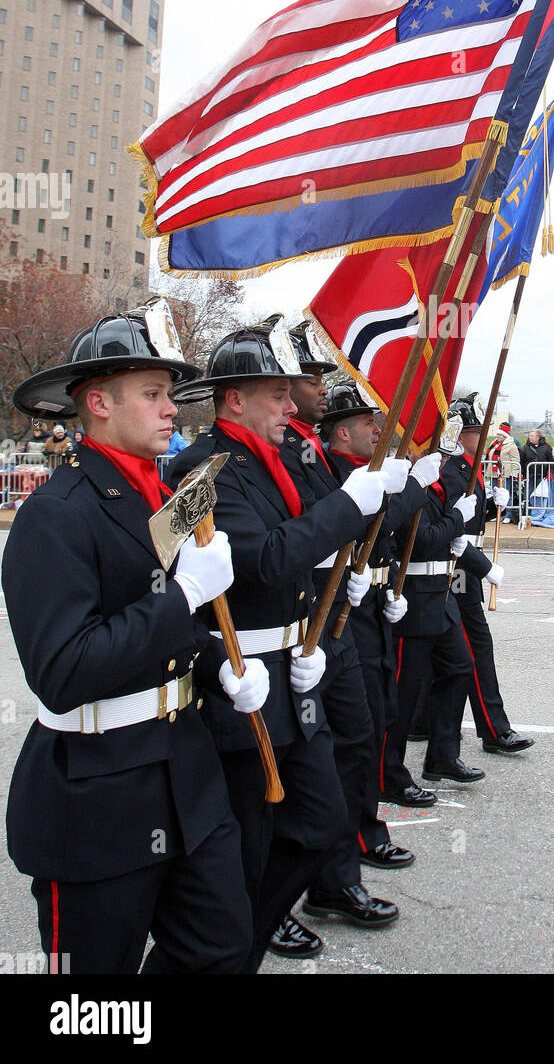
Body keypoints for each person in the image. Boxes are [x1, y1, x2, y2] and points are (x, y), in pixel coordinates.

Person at [3, 302, 255, 974]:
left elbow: (155, 626)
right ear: (99, 404)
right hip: (97, 793)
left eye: (169, 394)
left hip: (184, 772)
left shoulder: (159, 499)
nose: (172, 408)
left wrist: (217, 666)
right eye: (152, 394)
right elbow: (63, 668)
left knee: (222, 947)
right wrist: (184, 598)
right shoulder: (53, 516)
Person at [169, 318, 398, 966]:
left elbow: (299, 558)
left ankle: (248, 934)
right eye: (275, 394)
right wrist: (350, 504)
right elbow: (266, 558)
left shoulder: (277, 463)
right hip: (239, 676)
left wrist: (313, 638)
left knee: (321, 820)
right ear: (234, 399)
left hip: (294, 665)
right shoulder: (200, 470)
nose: (289, 403)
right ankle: (232, 947)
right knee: (248, 838)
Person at [276, 323, 413, 935]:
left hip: (332, 619)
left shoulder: (305, 452)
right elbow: (278, 545)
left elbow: (346, 524)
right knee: (285, 772)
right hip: (285, 635)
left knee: (357, 739)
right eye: (305, 379)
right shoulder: (254, 459)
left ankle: (338, 874)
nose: (314, 388)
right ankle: (277, 898)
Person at [319, 380, 441, 867]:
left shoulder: (360, 470)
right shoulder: (337, 471)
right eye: (368, 423)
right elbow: (380, 518)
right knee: (360, 727)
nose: (377, 429)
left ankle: (362, 831)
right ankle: (361, 836)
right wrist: (416, 484)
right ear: (341, 434)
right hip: (346, 614)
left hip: (374, 605)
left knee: (380, 714)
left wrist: (388, 587)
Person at [381, 416, 479, 803]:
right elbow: (421, 542)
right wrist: (458, 520)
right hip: (414, 596)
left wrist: (468, 514)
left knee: (459, 668)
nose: (440, 455)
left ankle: (442, 755)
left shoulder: (437, 485)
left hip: (442, 595)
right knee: (402, 695)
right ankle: (390, 772)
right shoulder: (406, 486)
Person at [441, 394, 534, 762]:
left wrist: (495, 507)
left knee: (443, 658)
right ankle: (494, 730)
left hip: (467, 571)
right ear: (461, 434)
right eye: (479, 432)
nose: (486, 439)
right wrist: (486, 568)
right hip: (457, 574)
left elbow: (472, 523)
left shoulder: (470, 469)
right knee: (477, 651)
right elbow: (453, 534)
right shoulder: (453, 471)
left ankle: (418, 722)